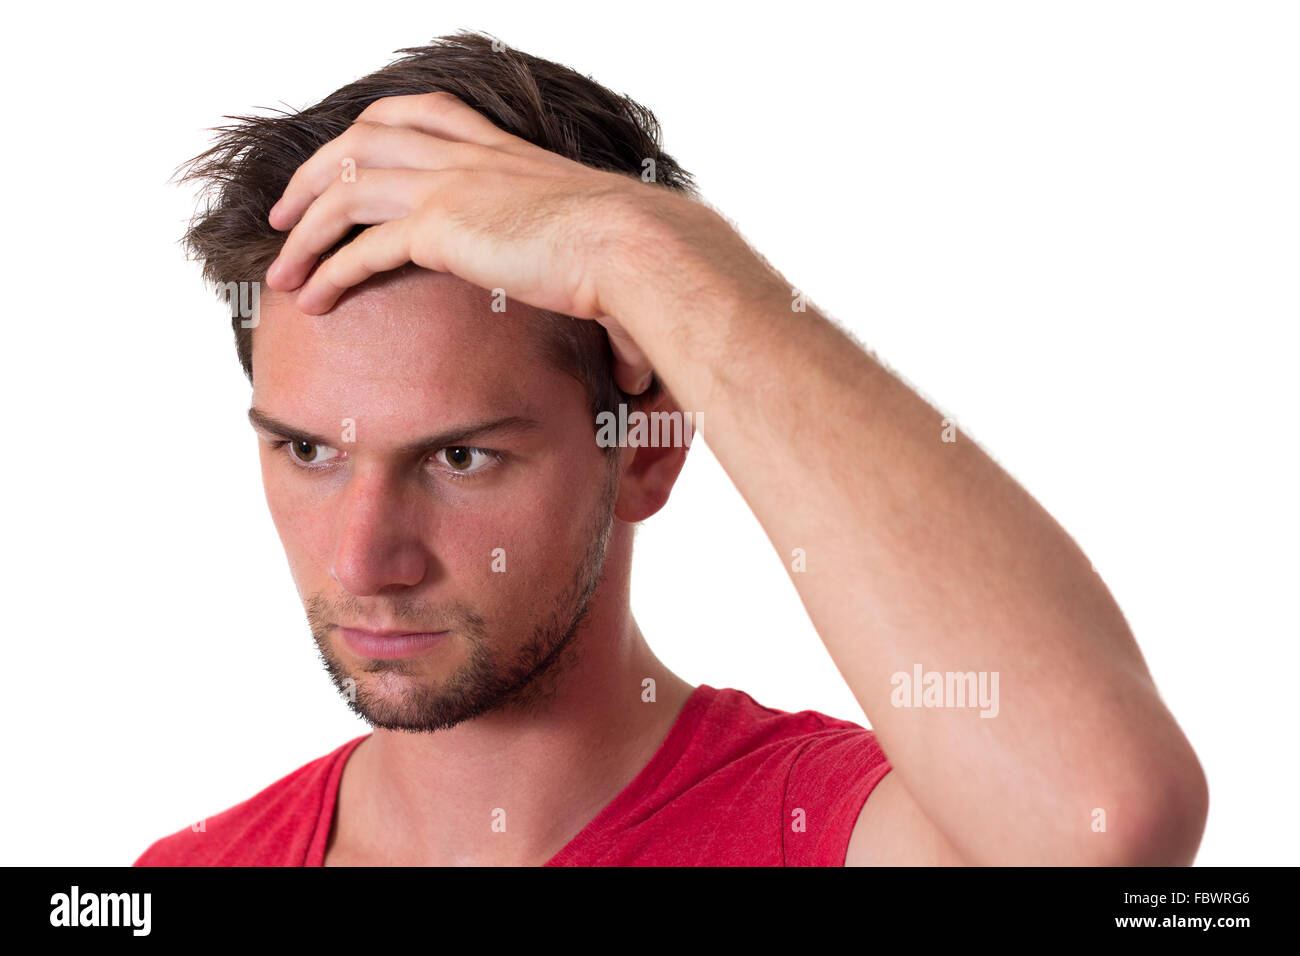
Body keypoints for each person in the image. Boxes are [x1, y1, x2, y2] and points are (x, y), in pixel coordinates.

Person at [134, 30, 1207, 866]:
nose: (364, 558)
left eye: (460, 458)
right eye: (309, 451)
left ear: (643, 453)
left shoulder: (817, 829)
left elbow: (1102, 820)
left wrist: (638, 247)